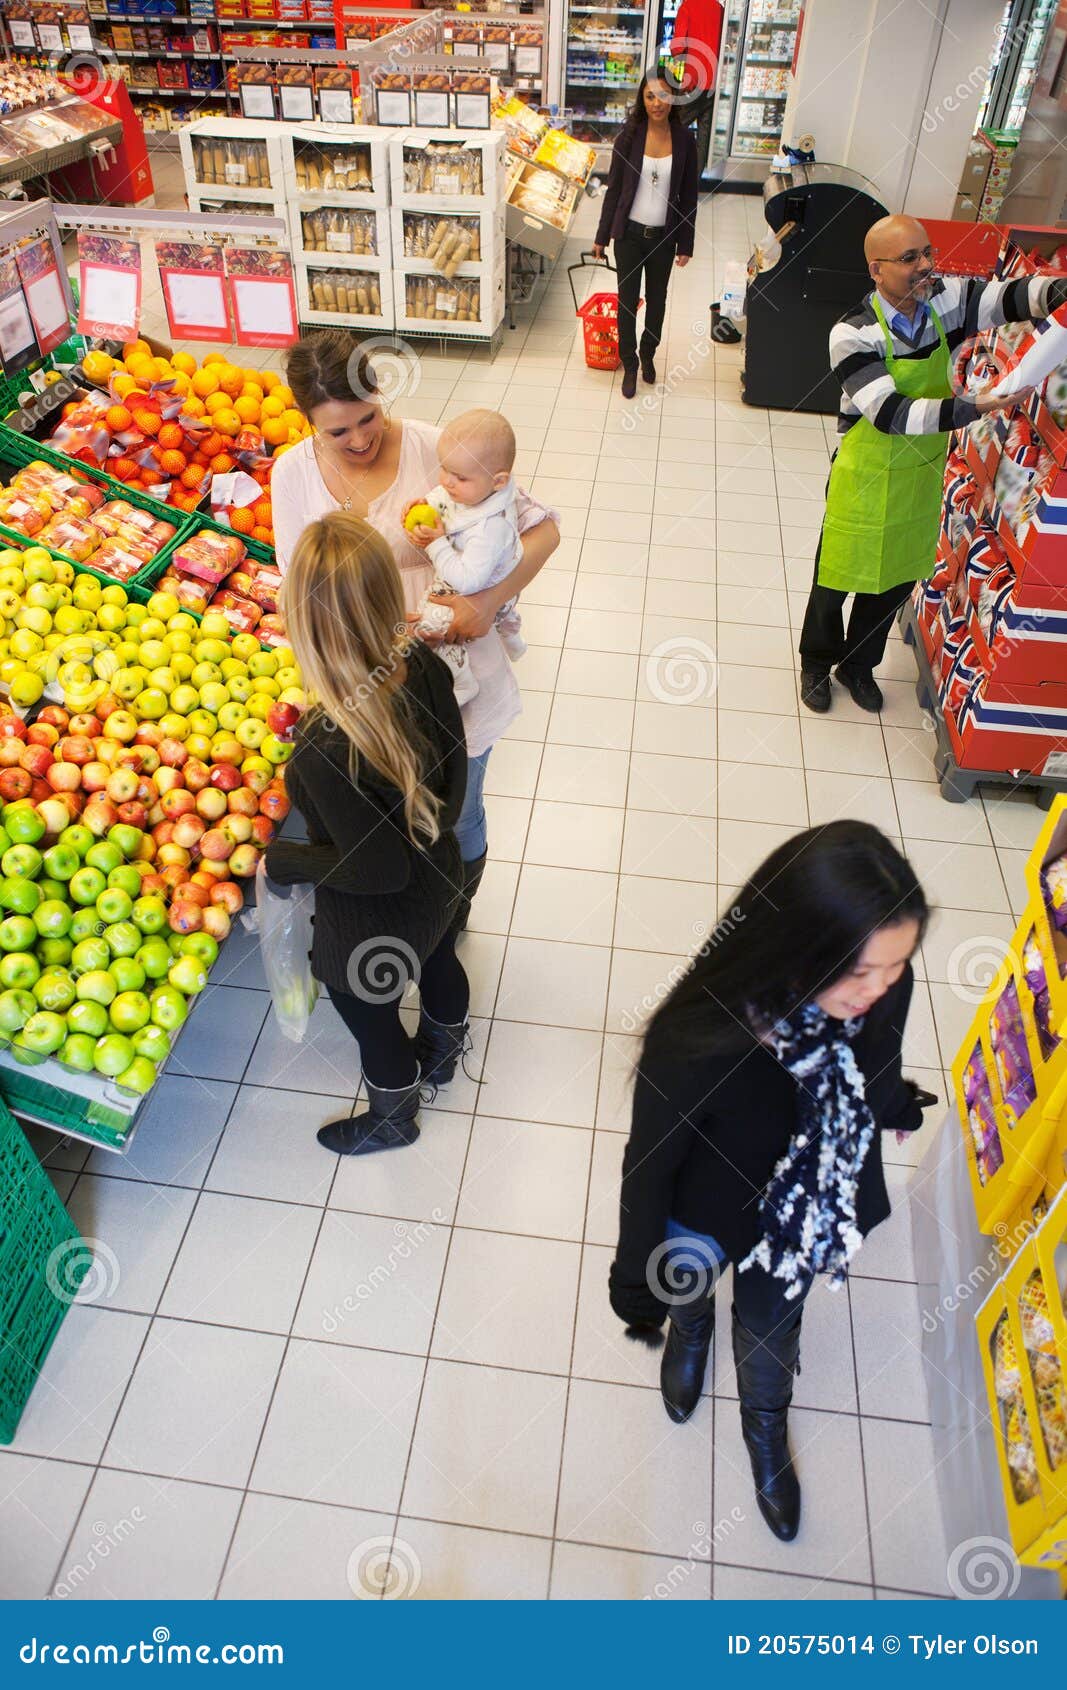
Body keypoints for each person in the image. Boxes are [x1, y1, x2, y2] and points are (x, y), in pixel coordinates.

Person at [608, 822, 932, 1542]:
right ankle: (689, 1334)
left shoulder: (881, 987)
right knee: (686, 1286)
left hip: (798, 1220)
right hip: (702, 1208)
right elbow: (650, 1160)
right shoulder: (699, 1036)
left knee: (768, 1329)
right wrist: (633, 1277)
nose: (879, 989)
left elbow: (872, 1066)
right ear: (796, 948)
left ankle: (763, 1423)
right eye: (860, 972)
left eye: (896, 966)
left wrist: (894, 1104)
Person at [270, 331, 560, 946]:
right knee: (389, 815)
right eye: (337, 432)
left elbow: (541, 532)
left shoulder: (438, 448)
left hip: (456, 671)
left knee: (460, 808)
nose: (359, 440)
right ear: (308, 423)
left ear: (380, 391)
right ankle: (412, 912)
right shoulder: (292, 475)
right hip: (367, 689)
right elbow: (301, 586)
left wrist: (483, 602)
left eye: (367, 419)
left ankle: (455, 912)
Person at [799, 212, 1067, 715]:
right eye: (909, 259)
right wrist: (975, 406)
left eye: (927, 253)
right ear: (876, 271)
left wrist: (1055, 293)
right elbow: (891, 413)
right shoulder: (851, 333)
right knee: (835, 576)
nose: (926, 267)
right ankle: (816, 662)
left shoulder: (947, 298)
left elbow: (1009, 297)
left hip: (920, 473)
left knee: (896, 577)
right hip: (865, 472)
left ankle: (858, 667)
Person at [263, 511, 469, 1157]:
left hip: (370, 930)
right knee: (439, 958)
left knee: (369, 1014)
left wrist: (285, 860)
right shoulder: (423, 666)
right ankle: (442, 1051)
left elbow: (377, 870)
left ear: (303, 625)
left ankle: (394, 1114)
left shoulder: (324, 746)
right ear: (387, 596)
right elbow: (456, 783)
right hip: (441, 877)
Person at [407, 407, 526, 708]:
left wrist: (435, 544)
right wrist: (426, 505)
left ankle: (463, 681)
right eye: (444, 469)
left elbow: (467, 581)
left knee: (432, 625)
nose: (447, 481)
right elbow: (442, 496)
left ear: (498, 481)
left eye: (458, 477)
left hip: (478, 583)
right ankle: (511, 635)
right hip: (476, 569)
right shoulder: (471, 490)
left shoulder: (491, 528)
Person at [593, 72, 699, 400]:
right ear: (642, 98)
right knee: (627, 302)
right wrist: (601, 236)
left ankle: (648, 352)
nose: (657, 103)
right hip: (629, 235)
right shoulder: (629, 137)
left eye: (664, 96)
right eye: (650, 96)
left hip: (663, 237)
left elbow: (689, 194)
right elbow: (613, 191)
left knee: (657, 301)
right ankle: (629, 362)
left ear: (674, 99)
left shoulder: (684, 141)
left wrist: (686, 242)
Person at [670, 0, 724, 183]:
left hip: (692, 80)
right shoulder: (719, 9)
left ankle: (675, 178)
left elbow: (677, 48)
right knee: (704, 133)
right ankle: (693, 183)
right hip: (714, 80)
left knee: (677, 127)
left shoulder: (688, 6)